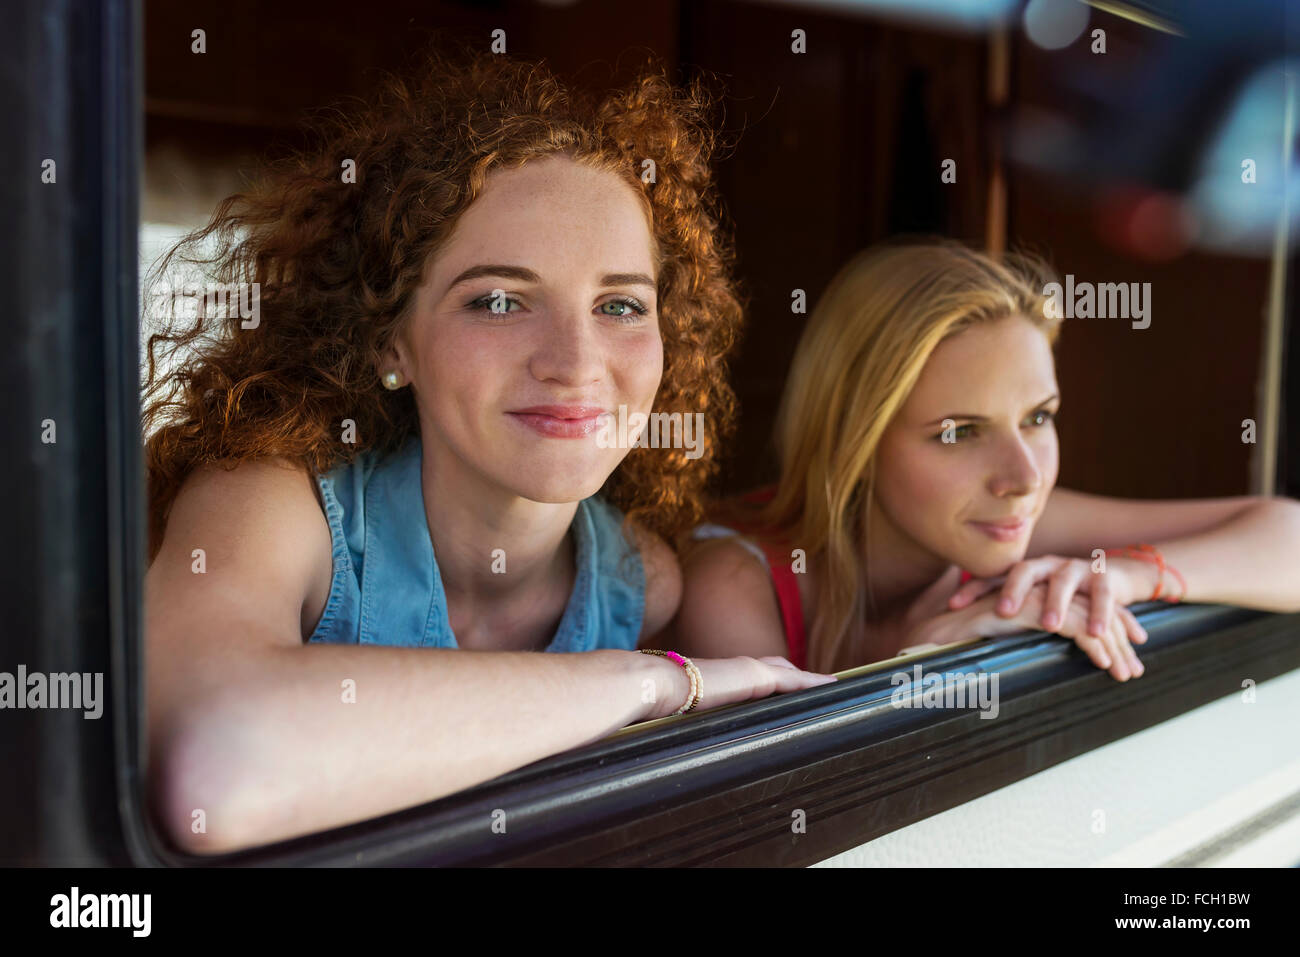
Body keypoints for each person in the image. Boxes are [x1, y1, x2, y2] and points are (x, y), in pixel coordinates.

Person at [142, 48, 834, 856]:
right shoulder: (268, 505)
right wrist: (647, 681)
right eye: (499, 300)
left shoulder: (639, 582)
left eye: (619, 304)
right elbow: (216, 763)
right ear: (391, 341)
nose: (575, 362)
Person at [673, 240, 1300, 677]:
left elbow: (1289, 538)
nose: (1025, 478)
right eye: (960, 432)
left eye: (1038, 417)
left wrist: (1131, 577)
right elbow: (785, 813)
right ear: (853, 439)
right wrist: (920, 655)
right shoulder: (730, 585)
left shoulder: (1010, 518)